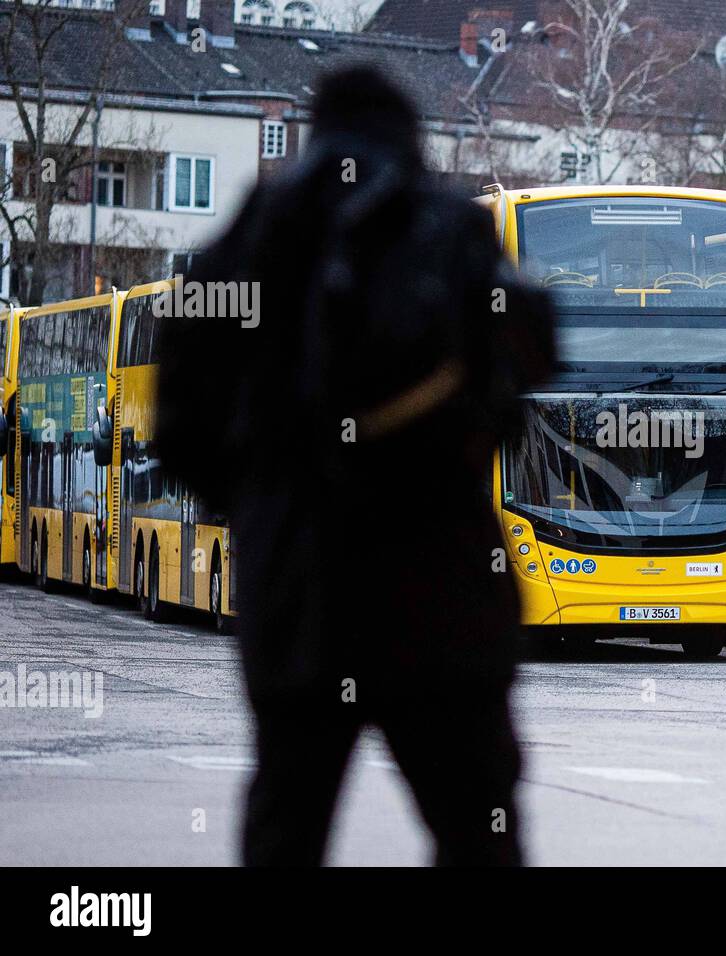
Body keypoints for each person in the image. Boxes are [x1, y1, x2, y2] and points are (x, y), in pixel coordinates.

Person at [154, 65, 555, 866]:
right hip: (439, 591)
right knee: (477, 826)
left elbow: (179, 427)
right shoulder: (454, 228)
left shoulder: (246, 237)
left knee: (287, 822)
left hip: (299, 593)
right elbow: (523, 373)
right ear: (409, 137)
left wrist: (266, 501)